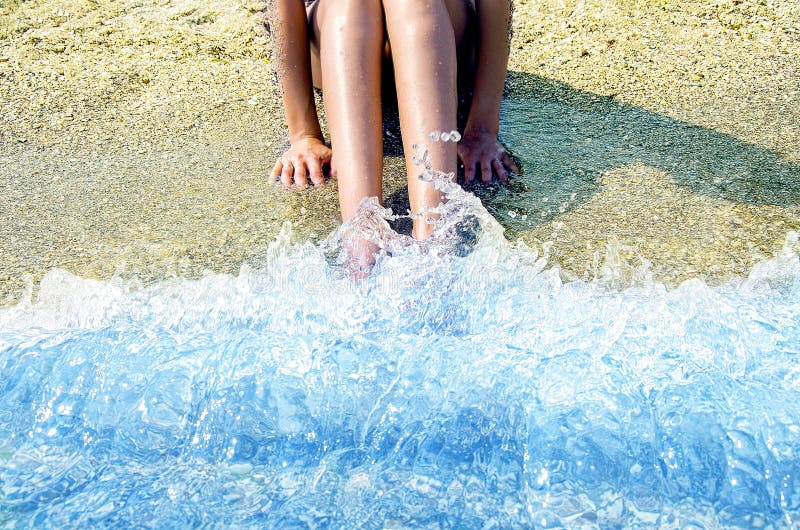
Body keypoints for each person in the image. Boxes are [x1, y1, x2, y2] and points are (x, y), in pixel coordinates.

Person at [269, 0, 518, 272]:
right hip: (338, 37)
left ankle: (436, 244)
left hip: (439, 32)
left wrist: (482, 127)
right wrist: (304, 133)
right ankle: (362, 248)